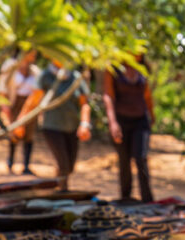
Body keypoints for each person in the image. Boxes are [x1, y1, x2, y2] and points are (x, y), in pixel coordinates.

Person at [16, 61, 91, 190]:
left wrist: (85, 124)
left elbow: (84, 103)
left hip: (72, 127)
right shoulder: (45, 76)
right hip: (52, 127)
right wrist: (20, 122)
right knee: (64, 164)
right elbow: (33, 101)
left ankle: (58, 184)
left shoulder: (76, 77)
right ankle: (63, 191)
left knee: (70, 166)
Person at [102, 55, 154, 202]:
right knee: (124, 161)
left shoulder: (142, 70)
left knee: (141, 157)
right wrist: (112, 122)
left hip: (141, 120)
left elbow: (147, 95)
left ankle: (148, 200)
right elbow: (108, 96)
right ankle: (126, 199)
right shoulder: (114, 69)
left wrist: (152, 114)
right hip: (121, 120)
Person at [0, 50, 40, 174]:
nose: (34, 55)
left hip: (30, 104)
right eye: (32, 53)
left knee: (29, 134)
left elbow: (37, 92)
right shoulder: (10, 67)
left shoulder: (35, 71)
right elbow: (3, 89)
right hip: (13, 103)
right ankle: (10, 162)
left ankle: (26, 165)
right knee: (13, 133)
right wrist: (5, 108)